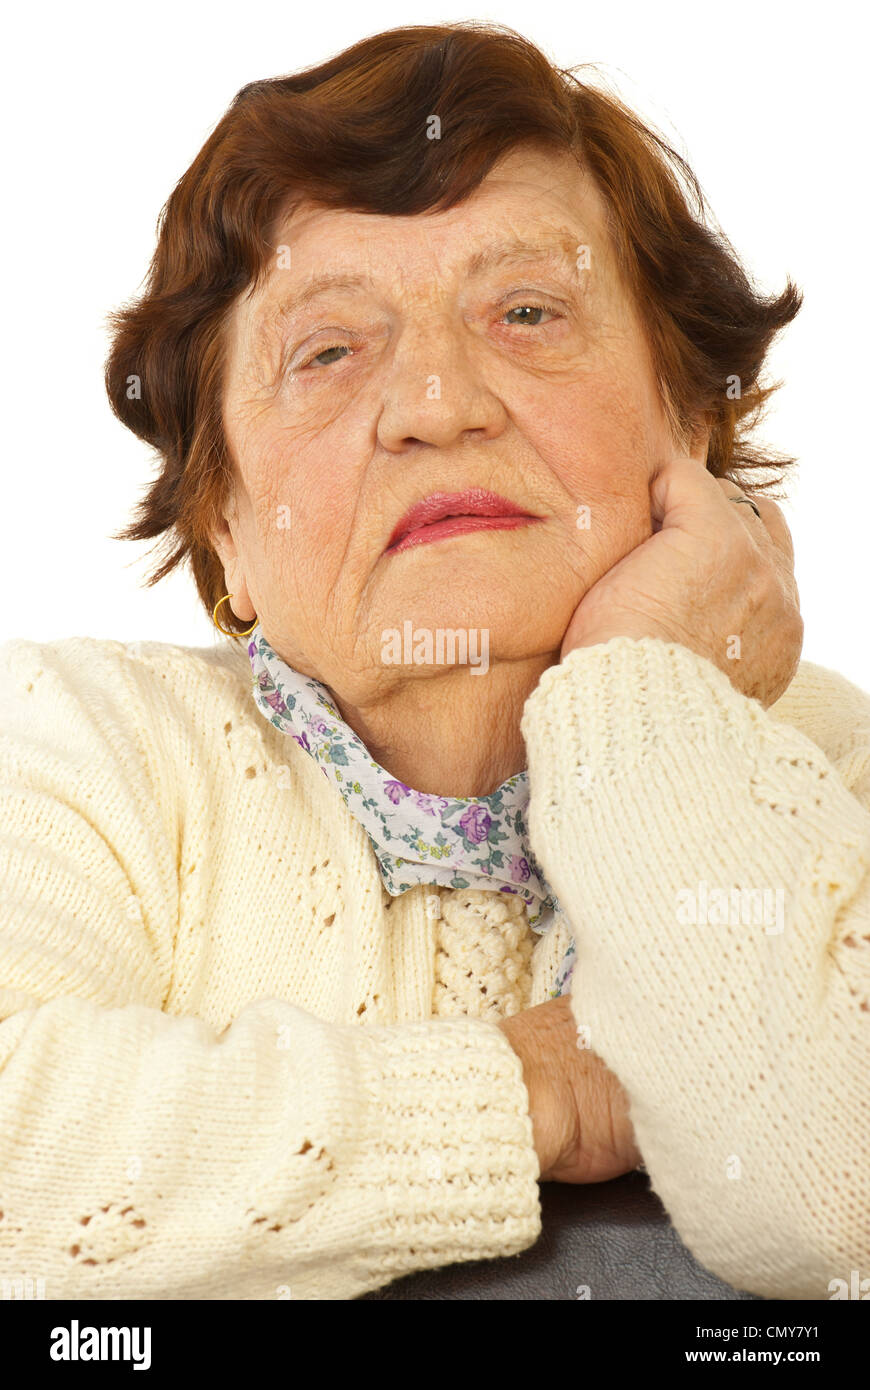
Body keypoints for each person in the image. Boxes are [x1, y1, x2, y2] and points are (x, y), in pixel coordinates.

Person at [0, 21, 866, 1301]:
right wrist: (537, 1095)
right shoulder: (74, 745)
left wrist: (644, 692)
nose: (436, 404)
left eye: (526, 311)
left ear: (692, 426)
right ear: (224, 524)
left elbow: (820, 1207)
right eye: (331, 351)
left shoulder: (837, 770)